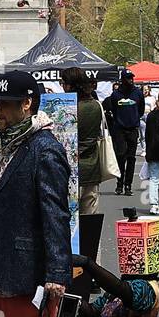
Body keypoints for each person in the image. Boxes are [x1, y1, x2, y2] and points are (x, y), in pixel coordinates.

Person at [0, 71, 72, 317]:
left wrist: (56, 272)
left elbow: (56, 214)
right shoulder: (11, 142)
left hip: (26, 282)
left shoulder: (45, 149)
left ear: (27, 104)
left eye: (5, 104)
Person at [64, 68, 105, 216]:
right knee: (89, 217)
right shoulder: (96, 105)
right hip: (91, 167)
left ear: (70, 85)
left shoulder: (67, 108)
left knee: (69, 220)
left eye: (63, 83)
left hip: (68, 169)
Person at [104, 71, 145, 197]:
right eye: (128, 79)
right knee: (121, 156)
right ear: (123, 80)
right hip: (120, 129)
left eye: (132, 78)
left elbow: (141, 109)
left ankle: (128, 184)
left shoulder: (138, 93)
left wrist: (134, 119)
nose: (131, 81)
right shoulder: (116, 95)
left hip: (132, 128)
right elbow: (113, 110)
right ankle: (119, 183)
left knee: (131, 158)